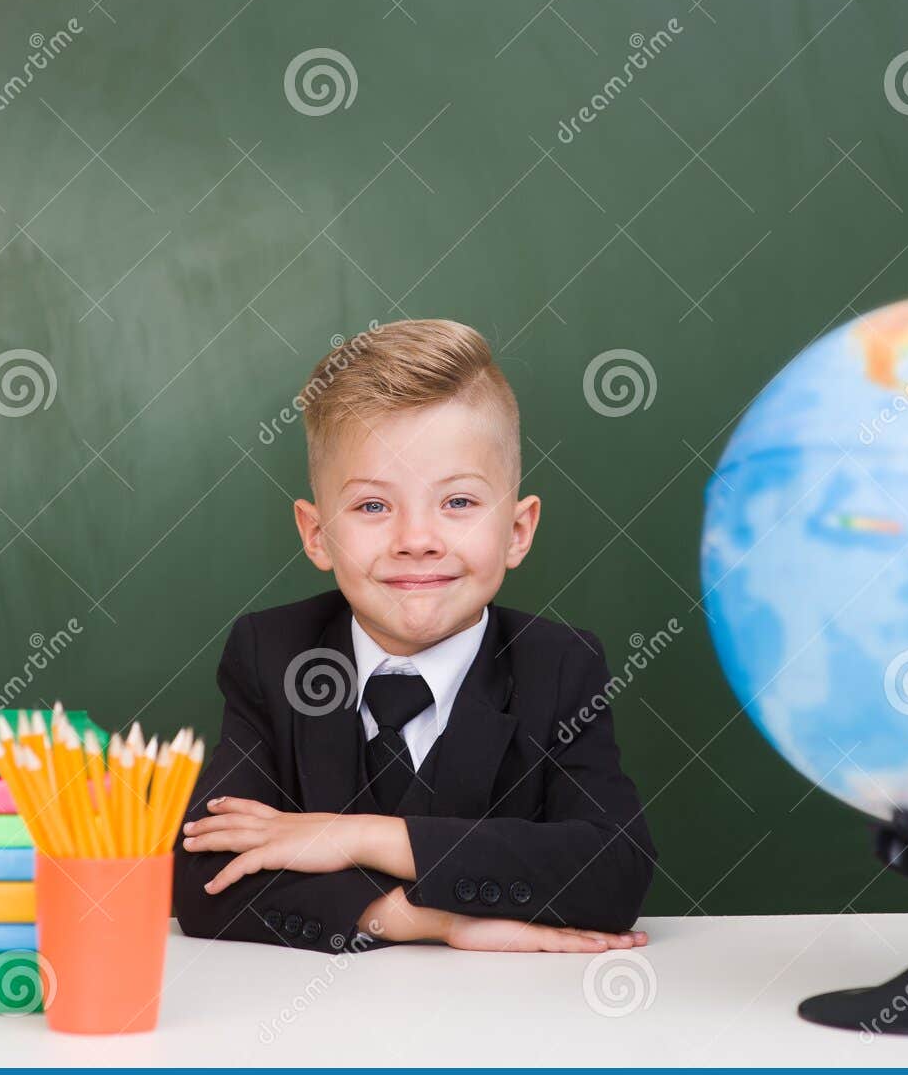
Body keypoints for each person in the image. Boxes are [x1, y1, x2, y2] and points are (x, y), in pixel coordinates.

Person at [174, 320, 656, 953]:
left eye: (457, 502)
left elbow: (611, 870)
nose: (416, 539)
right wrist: (433, 921)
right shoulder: (273, 655)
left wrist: (358, 837)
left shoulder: (558, 667)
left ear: (517, 529)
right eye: (373, 506)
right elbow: (203, 877)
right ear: (316, 534)